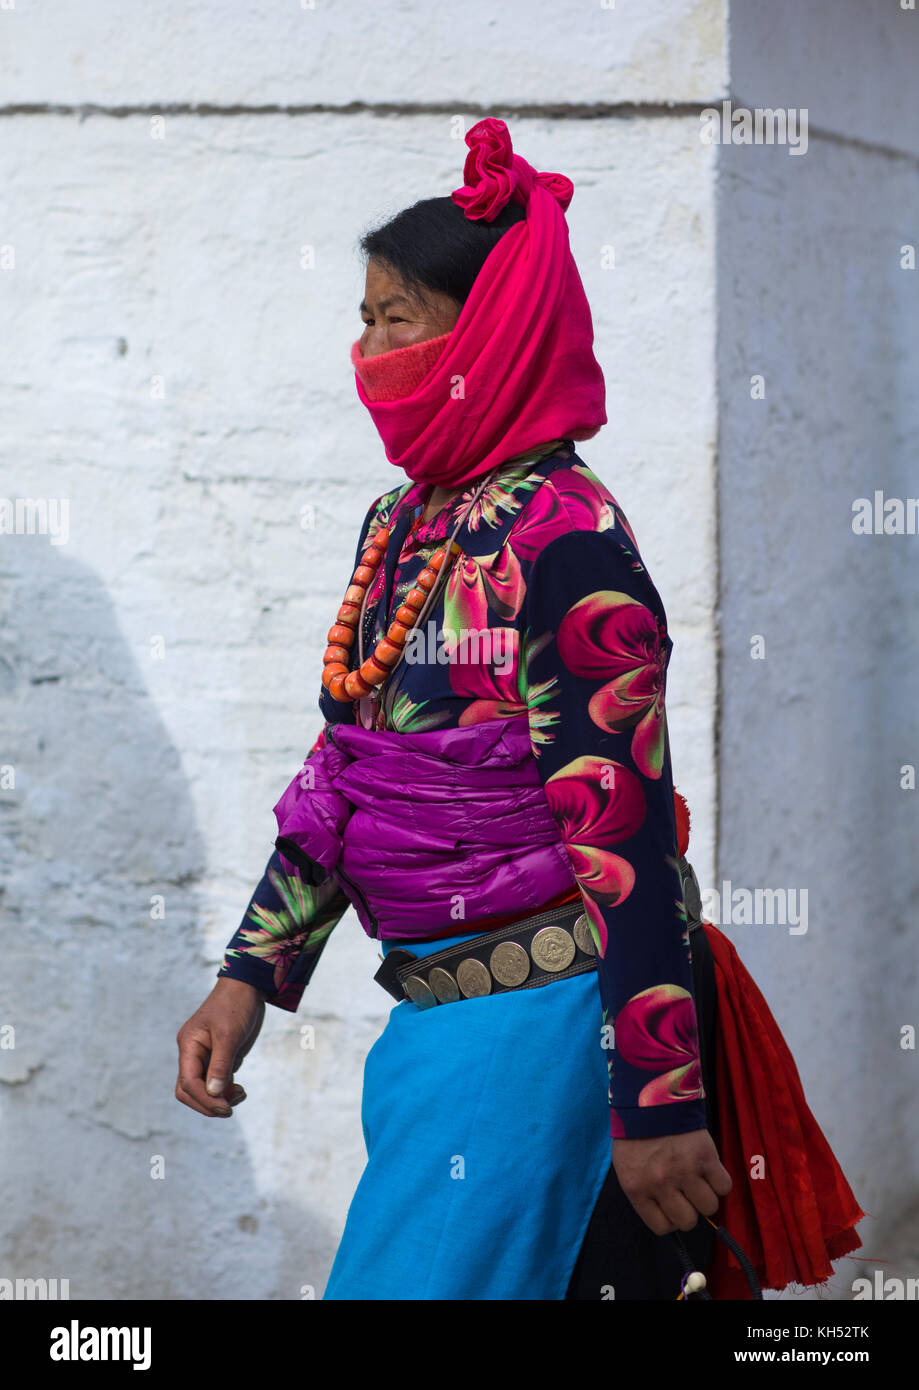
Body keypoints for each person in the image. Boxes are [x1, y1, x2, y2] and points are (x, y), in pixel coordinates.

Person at [175, 119, 861, 1300]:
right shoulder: (403, 524)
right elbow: (346, 769)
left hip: (542, 1031)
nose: (368, 351)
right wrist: (251, 973)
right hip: (430, 1037)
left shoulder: (566, 546)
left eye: (399, 320)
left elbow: (624, 838)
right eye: (363, 319)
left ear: (484, 337)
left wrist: (656, 1103)